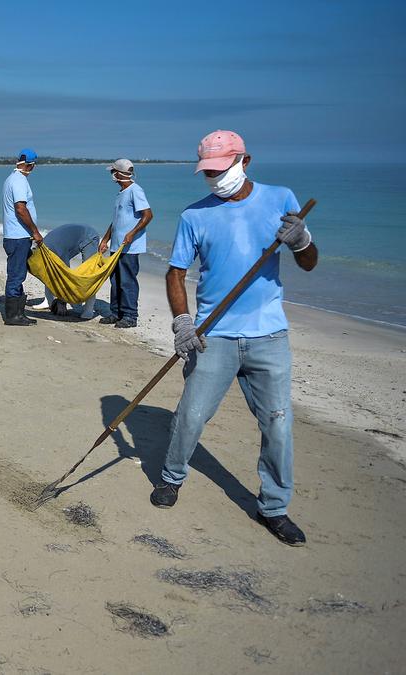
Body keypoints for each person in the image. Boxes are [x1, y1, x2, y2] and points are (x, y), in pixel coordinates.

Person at [152, 130, 318, 547]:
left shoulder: (280, 199)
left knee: (278, 424)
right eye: (207, 172)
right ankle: (171, 477)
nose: (213, 178)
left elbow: (309, 263)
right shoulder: (194, 216)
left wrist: (301, 240)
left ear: (245, 161)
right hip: (213, 336)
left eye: (219, 169)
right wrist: (183, 323)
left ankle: (274, 508)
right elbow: (175, 273)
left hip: (269, 336)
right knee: (191, 416)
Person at [98, 159, 153, 328]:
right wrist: (105, 239)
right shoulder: (121, 193)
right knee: (115, 281)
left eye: (112, 171)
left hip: (130, 247)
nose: (111, 175)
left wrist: (132, 233)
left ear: (119, 173)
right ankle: (116, 313)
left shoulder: (135, 190)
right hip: (116, 246)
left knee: (127, 282)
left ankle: (130, 316)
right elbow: (116, 221)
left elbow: (148, 215)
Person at [1, 149, 42, 326]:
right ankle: (12, 316)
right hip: (18, 236)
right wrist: (35, 231)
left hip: (15, 236)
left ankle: (19, 313)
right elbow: (20, 209)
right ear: (31, 165)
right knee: (16, 275)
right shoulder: (19, 181)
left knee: (18, 274)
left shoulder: (11, 178)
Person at [38, 223, 101, 319]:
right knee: (49, 270)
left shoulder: (59, 252)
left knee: (90, 272)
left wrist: (62, 301)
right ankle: (48, 301)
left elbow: (66, 276)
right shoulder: (41, 248)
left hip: (89, 236)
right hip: (69, 237)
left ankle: (88, 309)